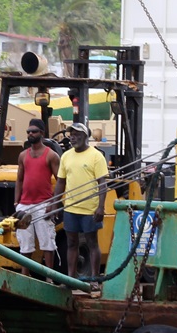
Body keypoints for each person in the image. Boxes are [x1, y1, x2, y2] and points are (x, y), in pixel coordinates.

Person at [53, 122, 109, 287]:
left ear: (86, 136)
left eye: (77, 134)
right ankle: (70, 279)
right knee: (71, 243)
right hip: (71, 207)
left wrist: (101, 207)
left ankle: (94, 280)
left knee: (92, 243)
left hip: (90, 209)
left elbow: (102, 184)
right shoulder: (66, 156)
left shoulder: (96, 156)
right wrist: (57, 203)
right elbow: (60, 182)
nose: (73, 137)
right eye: (71, 134)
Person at [13, 118, 60, 268]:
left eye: (33, 131)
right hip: (24, 205)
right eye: (28, 132)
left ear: (41, 133)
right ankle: (24, 275)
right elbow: (19, 180)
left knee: (47, 242)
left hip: (43, 204)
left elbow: (60, 181)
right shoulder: (22, 155)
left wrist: (52, 204)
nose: (30, 134)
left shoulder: (51, 155)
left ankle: (49, 277)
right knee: (25, 244)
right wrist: (16, 203)